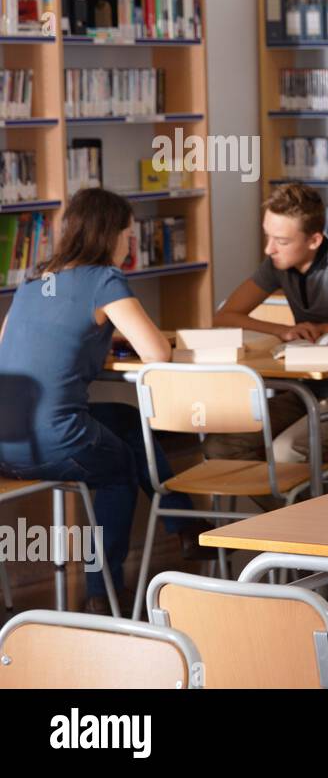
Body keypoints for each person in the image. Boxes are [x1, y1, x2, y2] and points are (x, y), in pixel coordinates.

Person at [0, 189, 206, 614]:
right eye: (129, 234)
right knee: (121, 469)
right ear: (111, 235)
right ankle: (103, 589)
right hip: (56, 442)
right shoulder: (103, 280)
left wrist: (94, 338)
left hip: (6, 442)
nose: (130, 243)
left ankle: (185, 524)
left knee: (127, 422)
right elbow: (157, 353)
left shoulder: (34, 281)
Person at [205, 183, 328, 465]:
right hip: (305, 393)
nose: (269, 249)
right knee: (220, 446)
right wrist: (282, 331)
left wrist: (321, 328)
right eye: (268, 237)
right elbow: (225, 316)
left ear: (314, 241)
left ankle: (306, 508)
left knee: (285, 450)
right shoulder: (277, 265)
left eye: (282, 241)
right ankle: (291, 509)